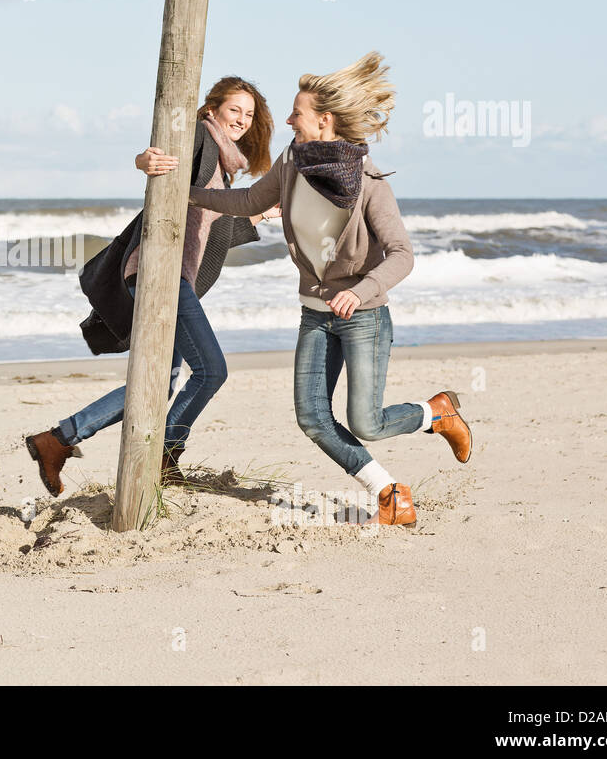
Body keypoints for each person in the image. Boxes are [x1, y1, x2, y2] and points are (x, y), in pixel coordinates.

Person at [187, 52, 473, 526]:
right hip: (314, 314)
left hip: (363, 316)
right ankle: (389, 491)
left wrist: (360, 291)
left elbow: (403, 254)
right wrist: (182, 190)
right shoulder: (291, 165)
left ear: (324, 120)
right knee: (313, 418)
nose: (288, 121)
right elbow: (244, 201)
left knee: (367, 421)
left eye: (296, 113)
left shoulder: (370, 182)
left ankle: (434, 414)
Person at [25, 77, 280, 497]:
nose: (242, 120)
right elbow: (160, 154)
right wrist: (144, 161)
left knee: (157, 383)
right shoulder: (200, 137)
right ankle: (166, 451)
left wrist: (262, 216)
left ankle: (58, 439)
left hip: (170, 278)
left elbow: (209, 233)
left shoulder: (223, 166)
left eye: (249, 115)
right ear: (211, 109)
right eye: (235, 109)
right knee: (213, 370)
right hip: (159, 275)